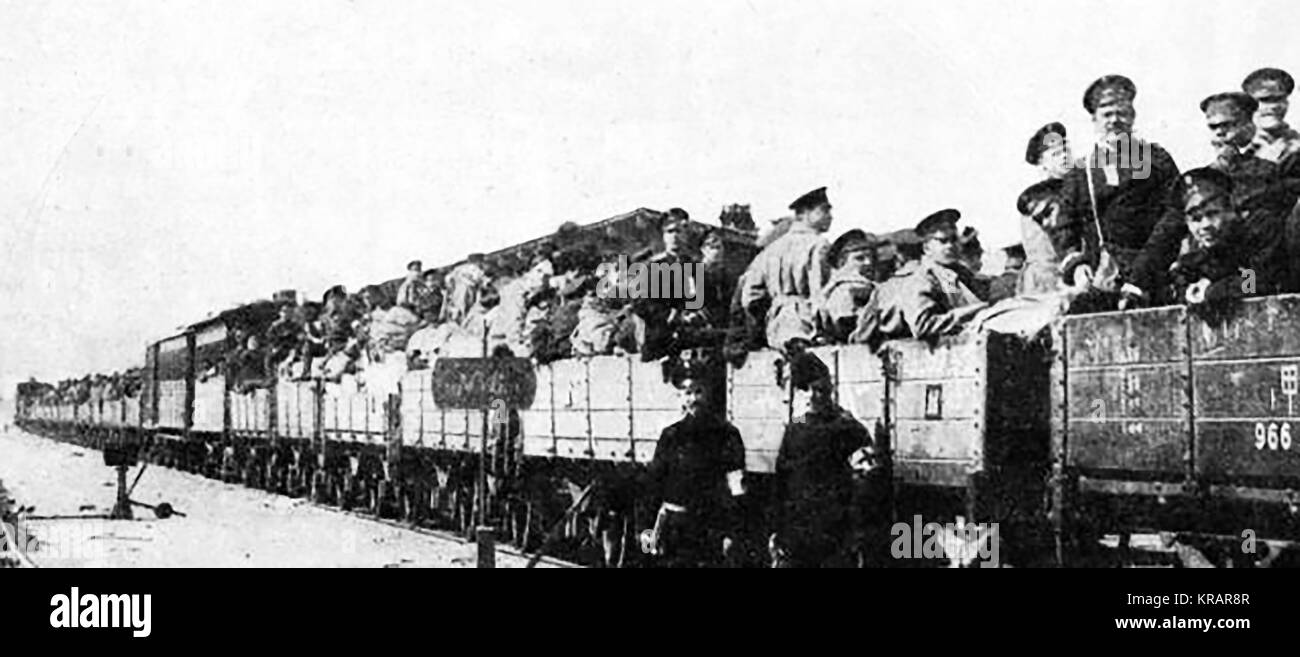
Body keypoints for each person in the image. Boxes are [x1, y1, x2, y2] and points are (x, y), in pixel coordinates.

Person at [1131, 92, 1294, 301]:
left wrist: (1212, 290)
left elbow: (1259, 278)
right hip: (1231, 275)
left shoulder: (1277, 170)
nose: (1220, 133)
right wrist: (1136, 282)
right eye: (1213, 127)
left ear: (1249, 124)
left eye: (1228, 125)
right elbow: (1166, 232)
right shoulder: (1204, 182)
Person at [1061, 75, 1181, 302]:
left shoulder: (1156, 160)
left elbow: (1175, 216)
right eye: (1107, 114)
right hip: (1102, 279)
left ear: (1133, 117)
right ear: (1094, 120)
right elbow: (1065, 226)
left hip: (1153, 275)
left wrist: (1144, 270)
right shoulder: (1082, 171)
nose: (1115, 120)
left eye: (1122, 113)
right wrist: (1076, 265)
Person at [771, 350, 873, 568]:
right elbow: (782, 483)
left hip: (834, 535)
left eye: (820, 389)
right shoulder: (794, 430)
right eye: (805, 389)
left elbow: (866, 483)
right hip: (798, 535)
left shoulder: (848, 430)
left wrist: (854, 534)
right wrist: (778, 531)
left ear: (829, 390)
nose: (813, 396)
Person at [642, 369, 747, 568]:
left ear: (708, 393)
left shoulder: (727, 435)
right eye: (687, 393)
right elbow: (654, 484)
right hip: (675, 527)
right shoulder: (671, 436)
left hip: (709, 527)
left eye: (698, 391)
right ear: (680, 397)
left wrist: (733, 533)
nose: (693, 399)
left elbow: (737, 488)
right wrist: (647, 530)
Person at [853, 210, 987, 346]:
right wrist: (976, 311)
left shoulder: (952, 274)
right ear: (927, 247)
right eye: (943, 241)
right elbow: (922, 325)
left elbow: (956, 300)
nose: (950, 246)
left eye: (953, 240)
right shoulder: (920, 277)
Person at [740, 186, 834, 350]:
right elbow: (821, 295)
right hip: (807, 327)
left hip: (775, 329)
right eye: (824, 211)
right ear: (803, 214)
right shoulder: (819, 245)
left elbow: (749, 298)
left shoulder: (771, 250)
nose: (830, 216)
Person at [1166, 167, 1262, 304]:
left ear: (1230, 211)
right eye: (1196, 219)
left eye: (1212, 214)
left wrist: (1209, 290)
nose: (1205, 225)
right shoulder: (1203, 255)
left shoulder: (1256, 233)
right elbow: (1177, 286)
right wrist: (1188, 291)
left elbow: (1255, 283)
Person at [1019, 122, 1086, 295]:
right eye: (1056, 154)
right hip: (1050, 284)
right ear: (1042, 163)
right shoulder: (1037, 200)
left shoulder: (1079, 188)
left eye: (1066, 150)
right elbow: (1045, 260)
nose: (1064, 156)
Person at [815, 229, 876, 343]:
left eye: (870, 257)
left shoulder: (866, 286)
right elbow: (845, 325)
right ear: (842, 262)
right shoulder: (845, 289)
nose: (868, 263)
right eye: (860, 258)